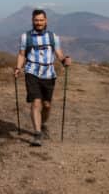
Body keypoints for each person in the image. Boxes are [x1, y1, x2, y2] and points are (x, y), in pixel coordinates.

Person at [13, 8, 72, 146]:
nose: (38, 23)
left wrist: (64, 61)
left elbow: (59, 53)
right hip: (32, 72)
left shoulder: (53, 37)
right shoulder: (25, 37)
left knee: (47, 105)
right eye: (36, 20)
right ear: (32, 21)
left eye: (41, 20)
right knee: (36, 102)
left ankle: (43, 124)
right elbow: (22, 54)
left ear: (46, 21)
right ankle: (37, 134)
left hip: (49, 74)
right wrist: (18, 68)